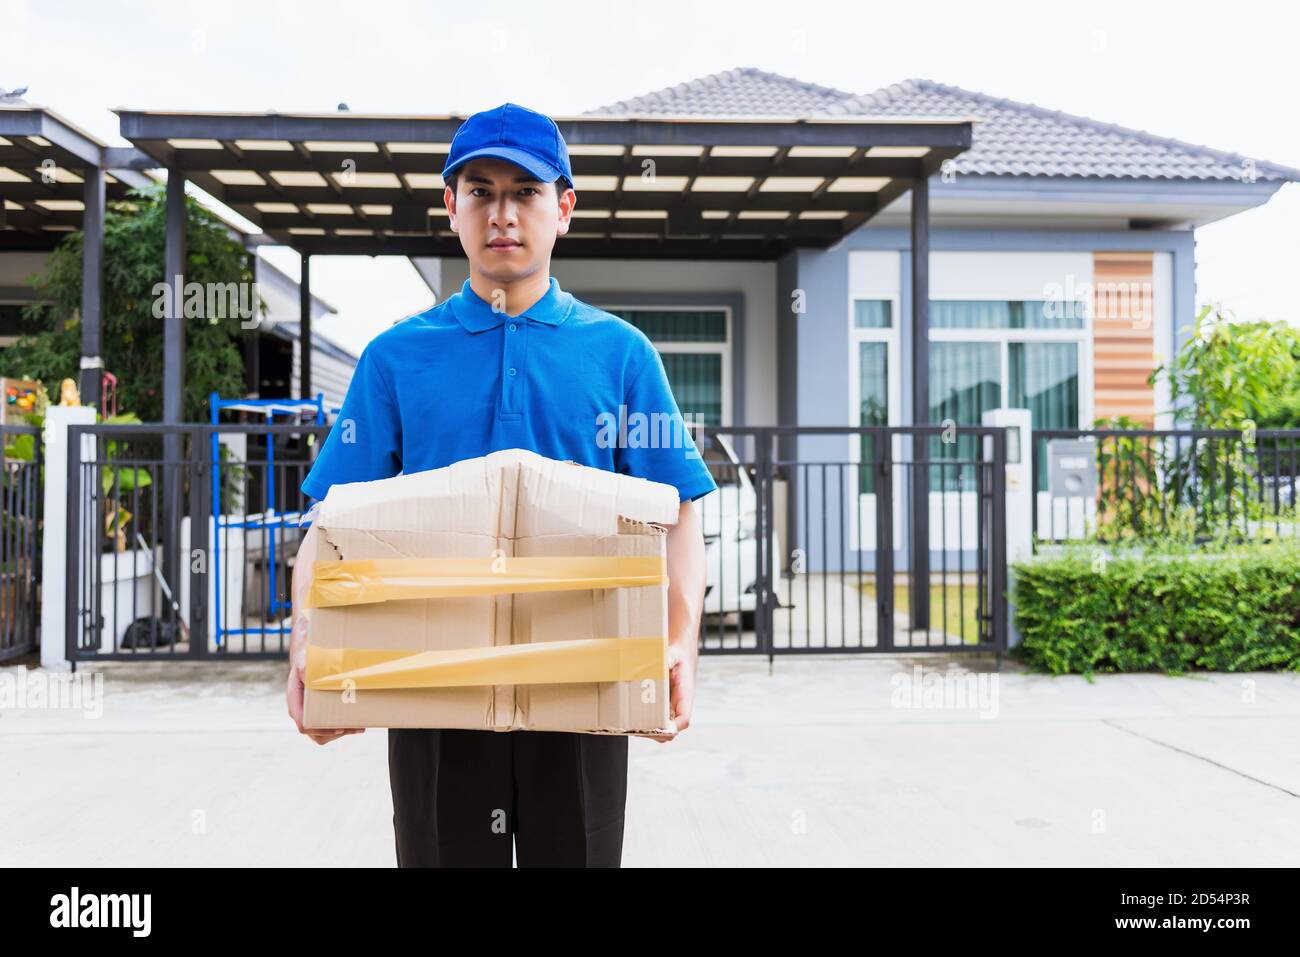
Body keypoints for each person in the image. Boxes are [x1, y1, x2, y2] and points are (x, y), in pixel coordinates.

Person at [284, 102, 717, 867]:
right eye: (480, 191)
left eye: (526, 191)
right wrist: (308, 649)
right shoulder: (396, 358)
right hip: (433, 690)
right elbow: (333, 524)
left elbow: (678, 509)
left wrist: (680, 643)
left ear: (564, 208)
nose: (503, 212)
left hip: (587, 684)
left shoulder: (620, 354)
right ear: (450, 207)